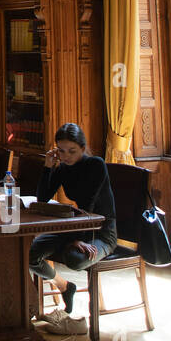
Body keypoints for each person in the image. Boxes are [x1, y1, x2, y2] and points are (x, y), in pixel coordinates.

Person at [27, 123, 117, 314]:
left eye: (72, 151)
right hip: (75, 228)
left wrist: (78, 239)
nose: (66, 156)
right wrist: (47, 168)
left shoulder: (96, 165)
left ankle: (71, 247)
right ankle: (64, 286)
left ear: (83, 149)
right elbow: (42, 199)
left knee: (75, 259)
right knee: (29, 254)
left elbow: (89, 207)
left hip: (101, 231)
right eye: (61, 151)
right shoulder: (63, 168)